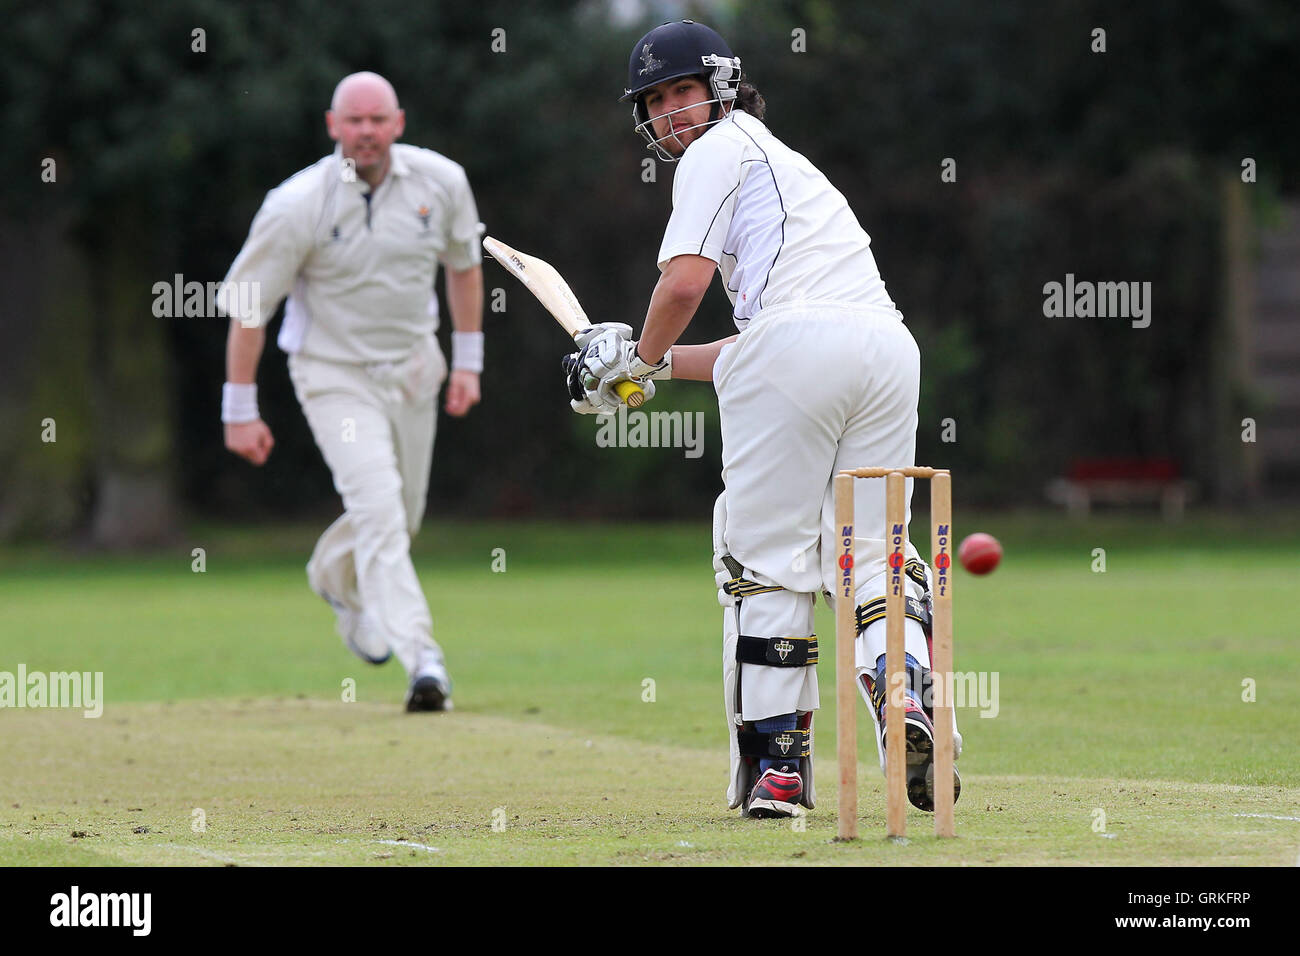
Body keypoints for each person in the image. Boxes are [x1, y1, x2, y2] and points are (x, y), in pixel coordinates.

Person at [565, 21, 962, 817]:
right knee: (878, 551)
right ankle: (903, 688)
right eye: (655, 100)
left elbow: (683, 288)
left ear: (719, 84)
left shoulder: (717, 151)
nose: (672, 112)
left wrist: (635, 358)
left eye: (681, 91)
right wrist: (649, 361)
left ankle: (779, 770)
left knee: (767, 560)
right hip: (886, 350)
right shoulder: (786, 163)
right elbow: (757, 348)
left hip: (800, 352)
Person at [219, 71, 484, 712]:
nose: (366, 131)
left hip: (415, 365)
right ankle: (424, 659)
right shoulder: (297, 203)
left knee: (402, 515)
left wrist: (467, 363)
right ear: (332, 125)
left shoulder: (441, 182)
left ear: (397, 122)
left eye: (378, 120)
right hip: (332, 375)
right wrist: (239, 407)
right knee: (381, 509)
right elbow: (250, 307)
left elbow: (464, 267)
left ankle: (334, 578)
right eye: (353, 121)